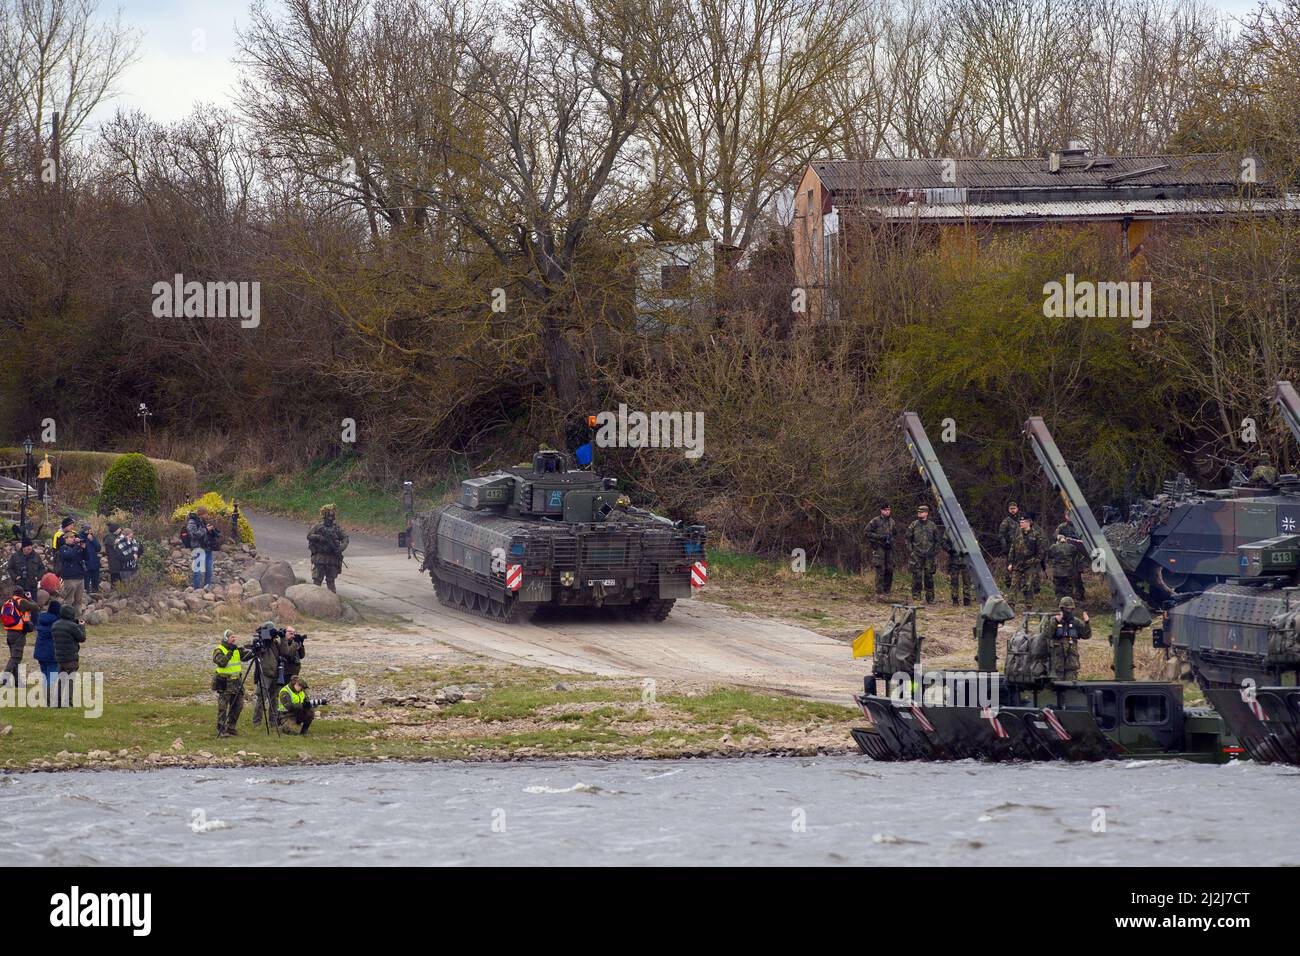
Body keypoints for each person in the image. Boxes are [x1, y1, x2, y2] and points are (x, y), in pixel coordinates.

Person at [1041, 596, 1091, 680]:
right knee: (1056, 686)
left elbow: (1086, 635)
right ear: (1062, 608)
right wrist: (1055, 622)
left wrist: (1087, 623)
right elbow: (1047, 635)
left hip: (1071, 663)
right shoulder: (1054, 620)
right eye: (1066, 609)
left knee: (1070, 686)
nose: (1068, 611)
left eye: (1070, 609)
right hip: (1056, 663)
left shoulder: (1076, 622)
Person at [307, 504, 349, 592]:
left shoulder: (336, 528)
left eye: (332, 516)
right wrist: (319, 537)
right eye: (329, 516)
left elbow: (345, 538)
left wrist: (341, 548)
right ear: (324, 516)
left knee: (331, 581)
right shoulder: (318, 527)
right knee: (317, 580)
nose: (330, 518)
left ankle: (332, 600)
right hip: (320, 557)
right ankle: (314, 598)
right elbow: (309, 535)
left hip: (333, 557)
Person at [50, 602, 86, 707]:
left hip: (59, 657)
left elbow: (66, 627)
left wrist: (75, 623)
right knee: (70, 680)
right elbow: (82, 638)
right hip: (71, 657)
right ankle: (68, 702)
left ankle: (57, 702)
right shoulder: (73, 626)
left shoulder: (55, 625)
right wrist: (82, 627)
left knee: (61, 680)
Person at [905, 504, 942, 604]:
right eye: (918, 512)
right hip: (917, 555)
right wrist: (911, 551)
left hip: (929, 555)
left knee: (929, 577)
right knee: (916, 576)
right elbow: (907, 538)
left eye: (921, 512)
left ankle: (930, 598)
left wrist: (935, 552)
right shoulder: (914, 524)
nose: (919, 513)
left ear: (926, 513)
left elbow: (937, 540)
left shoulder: (932, 525)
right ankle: (916, 597)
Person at [2, 587, 38, 686]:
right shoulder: (21, 601)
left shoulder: (8, 602)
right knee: (16, 658)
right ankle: (5, 677)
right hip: (18, 633)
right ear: (22, 594)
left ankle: (18, 682)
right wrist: (30, 598)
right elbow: (36, 607)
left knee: (15, 658)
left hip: (9, 632)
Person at [212, 629, 245, 737]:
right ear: (226, 638)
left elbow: (245, 656)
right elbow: (222, 663)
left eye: (234, 637)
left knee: (238, 705)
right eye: (232, 637)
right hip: (224, 682)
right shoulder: (218, 650)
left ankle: (231, 727)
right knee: (223, 707)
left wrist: (254, 650)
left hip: (237, 682)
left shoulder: (235, 649)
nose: (234, 639)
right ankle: (221, 729)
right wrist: (230, 652)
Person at [1008, 515, 1044, 607]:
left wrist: (1034, 561)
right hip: (1017, 563)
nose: (1021, 523)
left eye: (1023, 522)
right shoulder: (1017, 533)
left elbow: (1041, 551)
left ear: (1028, 522)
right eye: (1020, 522)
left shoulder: (1036, 535)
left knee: (1029, 585)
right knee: (1014, 584)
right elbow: (1013, 548)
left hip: (1029, 564)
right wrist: (1010, 562)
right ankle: (1011, 605)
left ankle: (1029, 605)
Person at [864, 503, 897, 596]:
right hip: (878, 547)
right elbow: (866, 532)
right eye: (885, 510)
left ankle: (887, 590)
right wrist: (879, 537)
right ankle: (879, 591)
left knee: (890, 569)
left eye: (889, 510)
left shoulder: (892, 521)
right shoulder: (875, 521)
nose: (887, 512)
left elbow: (895, 533)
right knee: (880, 569)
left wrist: (891, 539)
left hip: (889, 548)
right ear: (881, 511)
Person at [185, 507, 221, 588]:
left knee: (209, 569)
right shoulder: (192, 522)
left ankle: (207, 586)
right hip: (198, 548)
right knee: (197, 569)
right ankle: (197, 588)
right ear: (202, 514)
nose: (208, 515)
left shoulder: (203, 522)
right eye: (206, 513)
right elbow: (193, 534)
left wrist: (211, 530)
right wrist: (206, 529)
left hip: (207, 547)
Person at [34, 600, 61, 704]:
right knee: (52, 676)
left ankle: (45, 697)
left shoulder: (41, 619)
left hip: (40, 652)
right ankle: (49, 699)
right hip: (51, 653)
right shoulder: (57, 622)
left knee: (45, 675)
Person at [56, 531, 87, 613]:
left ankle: (77, 618)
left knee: (78, 601)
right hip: (70, 578)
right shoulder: (63, 548)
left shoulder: (77, 548)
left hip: (80, 577)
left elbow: (86, 557)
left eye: (74, 537)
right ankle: (66, 619)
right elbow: (70, 556)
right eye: (72, 537)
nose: (74, 539)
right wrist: (77, 546)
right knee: (69, 600)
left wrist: (84, 548)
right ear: (66, 539)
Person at [1046, 534, 1082, 600]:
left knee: (1059, 586)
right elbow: (1075, 555)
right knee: (1068, 587)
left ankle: (1059, 600)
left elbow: (1050, 556)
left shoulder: (1054, 547)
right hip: (1068, 571)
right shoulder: (1071, 547)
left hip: (1057, 571)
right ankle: (1069, 601)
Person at [943, 533, 972, 606]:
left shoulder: (967, 529)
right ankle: (955, 599)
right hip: (954, 559)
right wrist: (949, 549)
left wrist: (968, 549)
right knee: (954, 580)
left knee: (967, 580)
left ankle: (967, 599)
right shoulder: (950, 529)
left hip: (965, 559)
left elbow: (973, 542)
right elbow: (943, 542)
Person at [997, 501, 1021, 590]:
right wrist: (1005, 547)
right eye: (1011, 509)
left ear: (1017, 509)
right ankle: (1008, 585)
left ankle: (1019, 586)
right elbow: (1001, 535)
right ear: (1008, 510)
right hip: (1010, 548)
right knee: (1009, 567)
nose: (1013, 510)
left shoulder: (1020, 520)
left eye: (1014, 508)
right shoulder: (1006, 521)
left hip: (1020, 548)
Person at [81, 526, 102, 596]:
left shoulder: (92, 537)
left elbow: (98, 548)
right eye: (88, 530)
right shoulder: (81, 537)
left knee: (95, 578)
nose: (90, 531)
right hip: (86, 562)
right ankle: (86, 593)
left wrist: (92, 540)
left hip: (94, 561)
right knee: (86, 579)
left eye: (90, 530)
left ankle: (95, 592)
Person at [104, 521, 123, 587]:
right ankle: (115, 591)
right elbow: (116, 546)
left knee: (117, 576)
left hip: (116, 560)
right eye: (119, 528)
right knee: (115, 576)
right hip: (113, 560)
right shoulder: (109, 538)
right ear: (115, 529)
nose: (120, 530)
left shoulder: (113, 536)